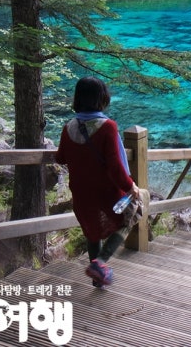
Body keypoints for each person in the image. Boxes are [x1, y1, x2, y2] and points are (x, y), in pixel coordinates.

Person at [56, 76, 140, 288]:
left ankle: (97, 280)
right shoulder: (107, 126)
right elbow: (115, 166)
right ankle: (100, 263)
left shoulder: (69, 127)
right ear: (101, 98)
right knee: (134, 214)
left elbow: (60, 158)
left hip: (81, 193)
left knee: (92, 231)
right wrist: (131, 186)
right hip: (105, 192)